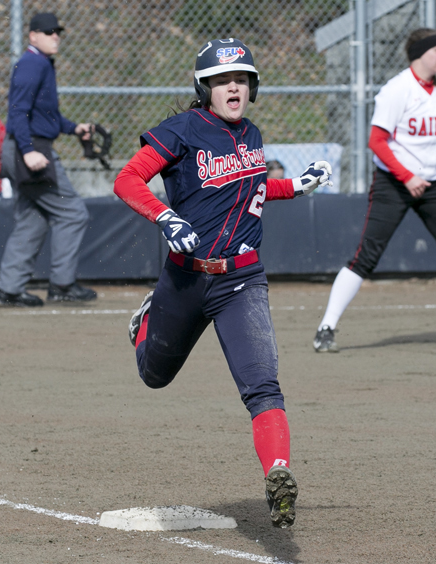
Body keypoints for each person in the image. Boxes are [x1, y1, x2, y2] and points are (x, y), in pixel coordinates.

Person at [113, 38, 332, 528]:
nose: (233, 87)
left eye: (240, 79)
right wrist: (165, 216)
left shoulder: (251, 133)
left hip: (242, 279)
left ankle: (278, 474)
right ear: (204, 88)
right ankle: (146, 321)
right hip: (186, 278)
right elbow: (127, 179)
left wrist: (295, 186)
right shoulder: (182, 130)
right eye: (221, 80)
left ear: (252, 87)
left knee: (264, 386)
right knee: (154, 375)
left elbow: (250, 187)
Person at [311, 28, 436, 353]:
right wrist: (406, 176)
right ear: (420, 53)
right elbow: (376, 141)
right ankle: (326, 328)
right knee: (366, 256)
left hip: (433, 183)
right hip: (394, 183)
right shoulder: (397, 90)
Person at [0, 12, 97, 308]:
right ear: (33, 36)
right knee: (73, 213)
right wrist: (28, 151)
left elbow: (46, 116)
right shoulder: (32, 63)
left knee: (33, 220)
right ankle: (62, 284)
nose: (55, 36)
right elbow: (17, 110)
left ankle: (8, 290)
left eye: (58, 32)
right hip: (29, 149)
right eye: (49, 32)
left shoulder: (41, 62)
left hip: (25, 146)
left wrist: (74, 128)